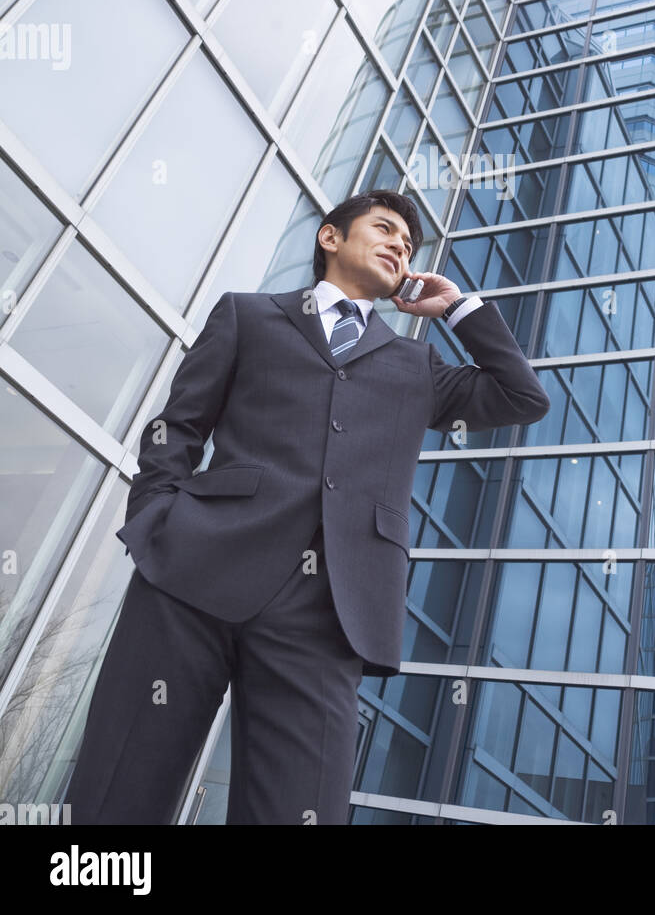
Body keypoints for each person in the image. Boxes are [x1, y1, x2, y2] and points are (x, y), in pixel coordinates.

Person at [65, 188, 550, 824]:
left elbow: (522, 397)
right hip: (194, 573)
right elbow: (178, 427)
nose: (399, 246)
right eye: (384, 229)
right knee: (118, 791)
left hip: (330, 614)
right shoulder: (248, 316)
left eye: (407, 245)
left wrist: (457, 308)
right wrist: (159, 518)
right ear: (330, 238)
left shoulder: (417, 366)